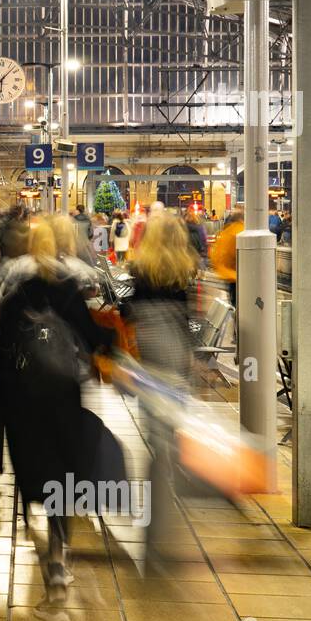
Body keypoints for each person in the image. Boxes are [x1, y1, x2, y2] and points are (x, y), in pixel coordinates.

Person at [0, 219, 114, 621]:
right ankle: (61, 565)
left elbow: (1, 351)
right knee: (63, 481)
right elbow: (95, 338)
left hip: (23, 404)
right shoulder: (68, 291)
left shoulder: (14, 292)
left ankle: (49, 569)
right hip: (63, 397)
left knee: (33, 486)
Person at [122, 214, 198, 574]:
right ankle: (171, 473)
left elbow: (126, 311)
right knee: (169, 429)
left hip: (148, 359)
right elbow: (190, 320)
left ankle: (159, 489)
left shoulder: (138, 270)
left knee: (156, 432)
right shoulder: (186, 270)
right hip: (176, 358)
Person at [211, 209, 244, 310]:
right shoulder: (240, 231)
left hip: (229, 276)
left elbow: (216, 254)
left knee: (235, 304)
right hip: (239, 277)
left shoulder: (225, 232)